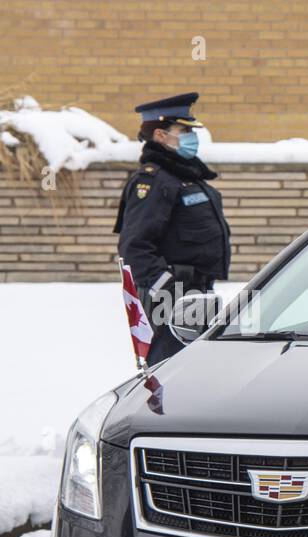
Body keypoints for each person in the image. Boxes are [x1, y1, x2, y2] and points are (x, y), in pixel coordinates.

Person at [114, 92, 230, 365]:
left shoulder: (185, 176)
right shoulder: (155, 182)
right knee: (172, 371)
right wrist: (166, 287)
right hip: (172, 295)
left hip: (195, 293)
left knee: (197, 369)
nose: (192, 137)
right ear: (161, 136)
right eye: (184, 131)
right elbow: (134, 245)